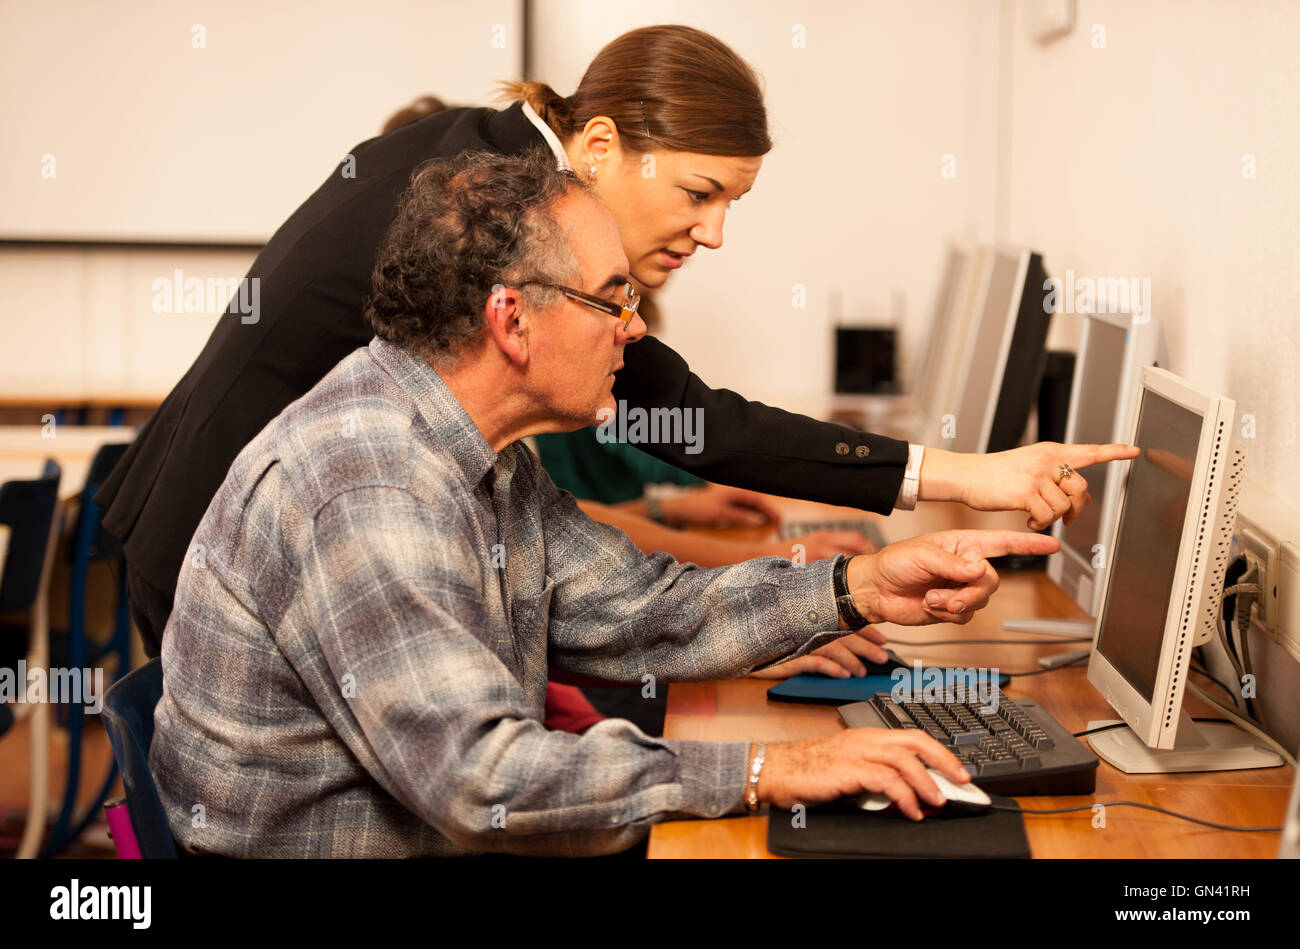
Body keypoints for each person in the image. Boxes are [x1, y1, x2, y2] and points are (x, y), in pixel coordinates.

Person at [97, 24, 1134, 659]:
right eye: (698, 192)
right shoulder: (496, 217)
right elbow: (693, 421)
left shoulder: (491, 158)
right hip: (214, 541)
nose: (713, 231)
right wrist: (968, 480)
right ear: (599, 146)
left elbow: (673, 427)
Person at [150, 149, 1059, 856]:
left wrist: (857, 584)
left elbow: (643, 613)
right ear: (513, 320)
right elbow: (481, 779)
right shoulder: (368, 486)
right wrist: (767, 768)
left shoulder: (481, 450)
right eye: (612, 299)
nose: (633, 328)